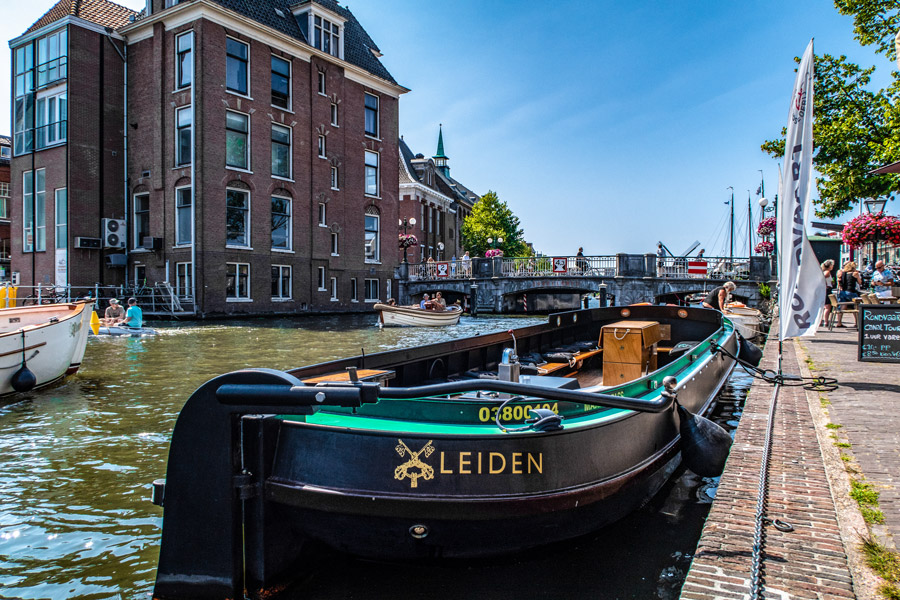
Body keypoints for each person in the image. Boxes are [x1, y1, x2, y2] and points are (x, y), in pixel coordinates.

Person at [835, 261, 862, 327]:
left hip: (843, 292)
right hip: (851, 291)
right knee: (856, 306)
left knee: (842, 306)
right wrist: (858, 276)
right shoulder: (855, 273)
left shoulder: (843, 273)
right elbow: (860, 282)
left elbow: (839, 282)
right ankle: (857, 323)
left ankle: (839, 322)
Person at [821, 259, 835, 326]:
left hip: (825, 290)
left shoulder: (823, 271)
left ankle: (821, 321)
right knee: (827, 307)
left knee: (823, 307)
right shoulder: (827, 272)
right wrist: (826, 283)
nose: (833, 266)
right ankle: (826, 321)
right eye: (832, 265)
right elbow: (822, 278)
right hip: (827, 290)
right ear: (830, 266)